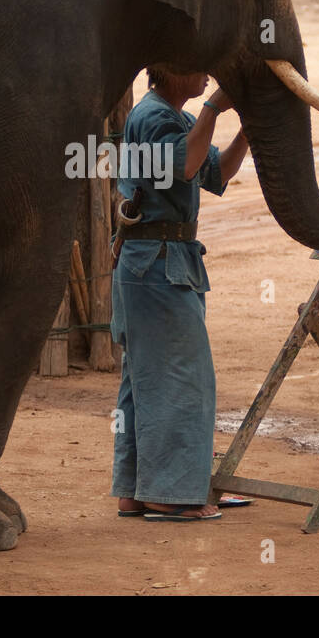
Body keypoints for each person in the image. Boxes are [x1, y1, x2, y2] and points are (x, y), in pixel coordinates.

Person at [110, 66, 249, 521]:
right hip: (156, 266)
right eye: (197, 66)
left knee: (143, 379)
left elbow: (216, 172)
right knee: (181, 379)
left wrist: (249, 128)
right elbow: (185, 164)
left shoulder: (176, 119)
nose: (207, 75)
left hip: (160, 262)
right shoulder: (154, 118)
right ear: (169, 70)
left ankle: (136, 489)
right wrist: (214, 108)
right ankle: (170, 496)